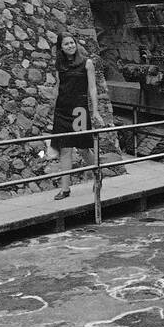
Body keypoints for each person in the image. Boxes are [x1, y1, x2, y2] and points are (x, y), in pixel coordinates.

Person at [47, 31, 100, 200]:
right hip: (62, 110)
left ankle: (98, 173)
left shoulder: (87, 63)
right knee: (65, 149)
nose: (70, 46)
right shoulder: (59, 65)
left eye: (72, 43)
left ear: (75, 44)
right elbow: (58, 86)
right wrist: (51, 106)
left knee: (83, 149)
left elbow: (92, 88)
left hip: (80, 111)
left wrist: (96, 111)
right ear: (61, 48)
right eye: (66, 44)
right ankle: (65, 189)